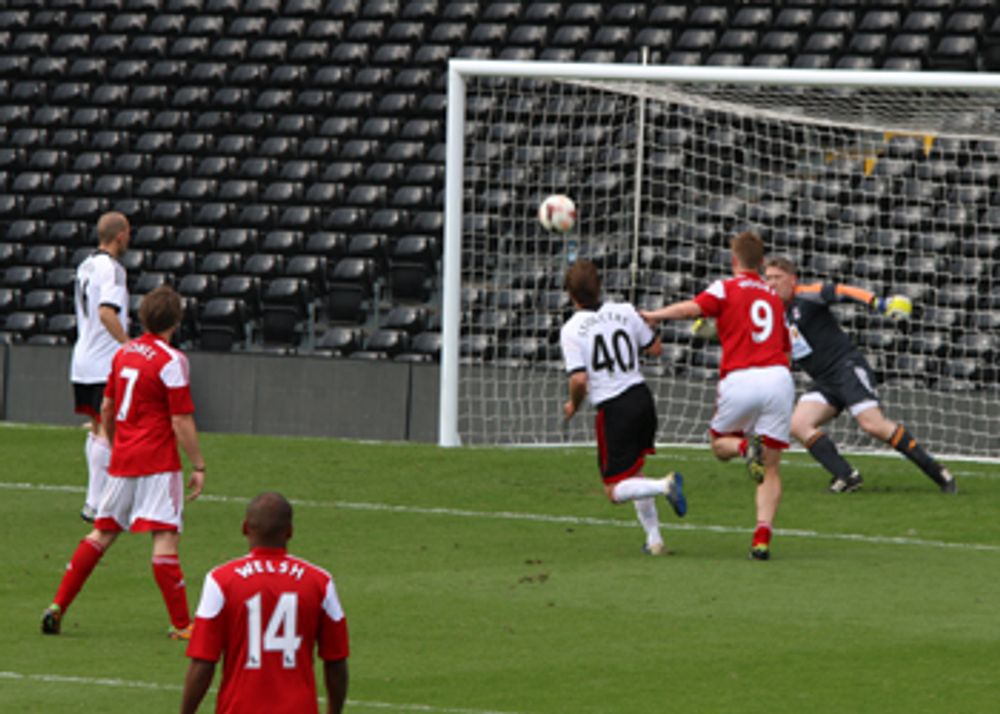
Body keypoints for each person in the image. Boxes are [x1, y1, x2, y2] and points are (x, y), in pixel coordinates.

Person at [42, 285, 206, 639]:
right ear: (175, 321)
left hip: (124, 459)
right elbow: (181, 420)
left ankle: (58, 605)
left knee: (101, 533)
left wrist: (118, 445)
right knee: (165, 537)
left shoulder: (124, 354)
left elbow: (106, 408)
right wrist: (198, 465)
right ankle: (181, 624)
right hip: (159, 463)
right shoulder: (172, 361)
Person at [642, 231, 793, 561]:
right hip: (779, 378)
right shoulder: (772, 297)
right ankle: (762, 536)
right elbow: (785, 347)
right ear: (761, 263)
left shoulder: (725, 287)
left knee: (719, 445)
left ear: (733, 259)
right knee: (771, 467)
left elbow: (690, 310)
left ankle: (743, 447)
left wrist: (655, 316)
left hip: (741, 377)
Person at [763, 257, 956, 494]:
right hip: (824, 381)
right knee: (798, 424)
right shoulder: (773, 311)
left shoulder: (807, 295)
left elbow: (843, 290)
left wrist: (878, 302)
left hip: (846, 368)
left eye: (777, 278)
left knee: (873, 425)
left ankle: (938, 472)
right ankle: (847, 476)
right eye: (768, 278)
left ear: (792, 279)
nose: (771, 283)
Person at [180, 492, 350, 714]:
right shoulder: (320, 582)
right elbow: (336, 660)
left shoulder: (220, 580)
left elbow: (203, 662)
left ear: (245, 528)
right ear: (289, 532)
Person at [560, 260, 687, 556]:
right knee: (635, 472)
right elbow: (655, 349)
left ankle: (665, 486)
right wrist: (646, 327)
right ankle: (654, 540)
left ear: (570, 294)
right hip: (642, 398)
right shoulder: (626, 311)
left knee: (614, 490)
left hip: (615, 409)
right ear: (599, 284)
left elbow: (579, 379)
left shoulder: (571, 330)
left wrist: (573, 406)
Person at [70, 211, 131, 522]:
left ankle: (93, 502)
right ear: (120, 236)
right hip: (105, 361)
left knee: (98, 430)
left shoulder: (86, 265)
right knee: (111, 432)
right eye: (128, 233)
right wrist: (127, 344)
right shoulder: (113, 270)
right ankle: (102, 504)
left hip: (83, 357)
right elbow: (108, 313)